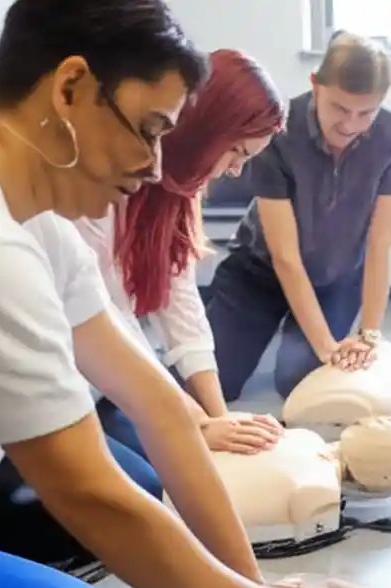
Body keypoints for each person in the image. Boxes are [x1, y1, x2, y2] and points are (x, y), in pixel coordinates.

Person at [0, 2, 380, 588]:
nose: (156, 165)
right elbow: (89, 493)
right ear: (68, 87)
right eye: (151, 129)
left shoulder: (39, 230)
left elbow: (157, 406)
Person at [76, 47, 287, 459]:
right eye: (237, 153)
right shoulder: (102, 186)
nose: (235, 172)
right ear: (205, 131)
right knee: (150, 480)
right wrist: (198, 423)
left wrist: (219, 415)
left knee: (171, 456)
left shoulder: (176, 196)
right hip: (67, 371)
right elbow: (111, 323)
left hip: (102, 377)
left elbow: (181, 306)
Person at [206, 31, 391, 401]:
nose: (350, 125)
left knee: (298, 377)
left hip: (335, 278)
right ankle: (250, 329)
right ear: (315, 85)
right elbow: (285, 257)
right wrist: (325, 345)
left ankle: (290, 337)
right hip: (260, 271)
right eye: (339, 108)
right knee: (213, 381)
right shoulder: (278, 130)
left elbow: (380, 244)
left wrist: (369, 335)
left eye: (366, 112)